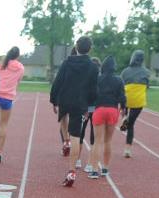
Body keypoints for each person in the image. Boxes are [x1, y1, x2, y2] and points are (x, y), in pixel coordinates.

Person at [50, 36, 99, 186]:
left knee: (63, 118)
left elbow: (58, 81)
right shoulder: (93, 67)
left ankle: (66, 141)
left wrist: (54, 100)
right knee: (77, 136)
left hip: (65, 99)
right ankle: (72, 171)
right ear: (89, 49)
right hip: (80, 103)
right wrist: (90, 107)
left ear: (76, 47)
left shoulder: (67, 62)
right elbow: (93, 89)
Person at [88, 56, 126, 179]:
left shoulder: (97, 79)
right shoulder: (119, 80)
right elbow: (122, 97)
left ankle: (94, 170)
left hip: (99, 110)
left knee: (97, 141)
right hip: (112, 110)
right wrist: (124, 109)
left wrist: (89, 108)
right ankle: (105, 168)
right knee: (108, 140)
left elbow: (91, 95)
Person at [0, 46, 24, 163]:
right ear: (18, 56)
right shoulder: (20, 68)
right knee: (3, 125)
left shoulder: (0, 64)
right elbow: (18, 81)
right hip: (7, 98)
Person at [119, 49, 149, 158]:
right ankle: (127, 149)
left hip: (126, 98)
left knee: (123, 103)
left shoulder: (125, 71)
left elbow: (120, 87)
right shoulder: (146, 72)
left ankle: (124, 116)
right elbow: (147, 87)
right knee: (131, 125)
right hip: (138, 100)